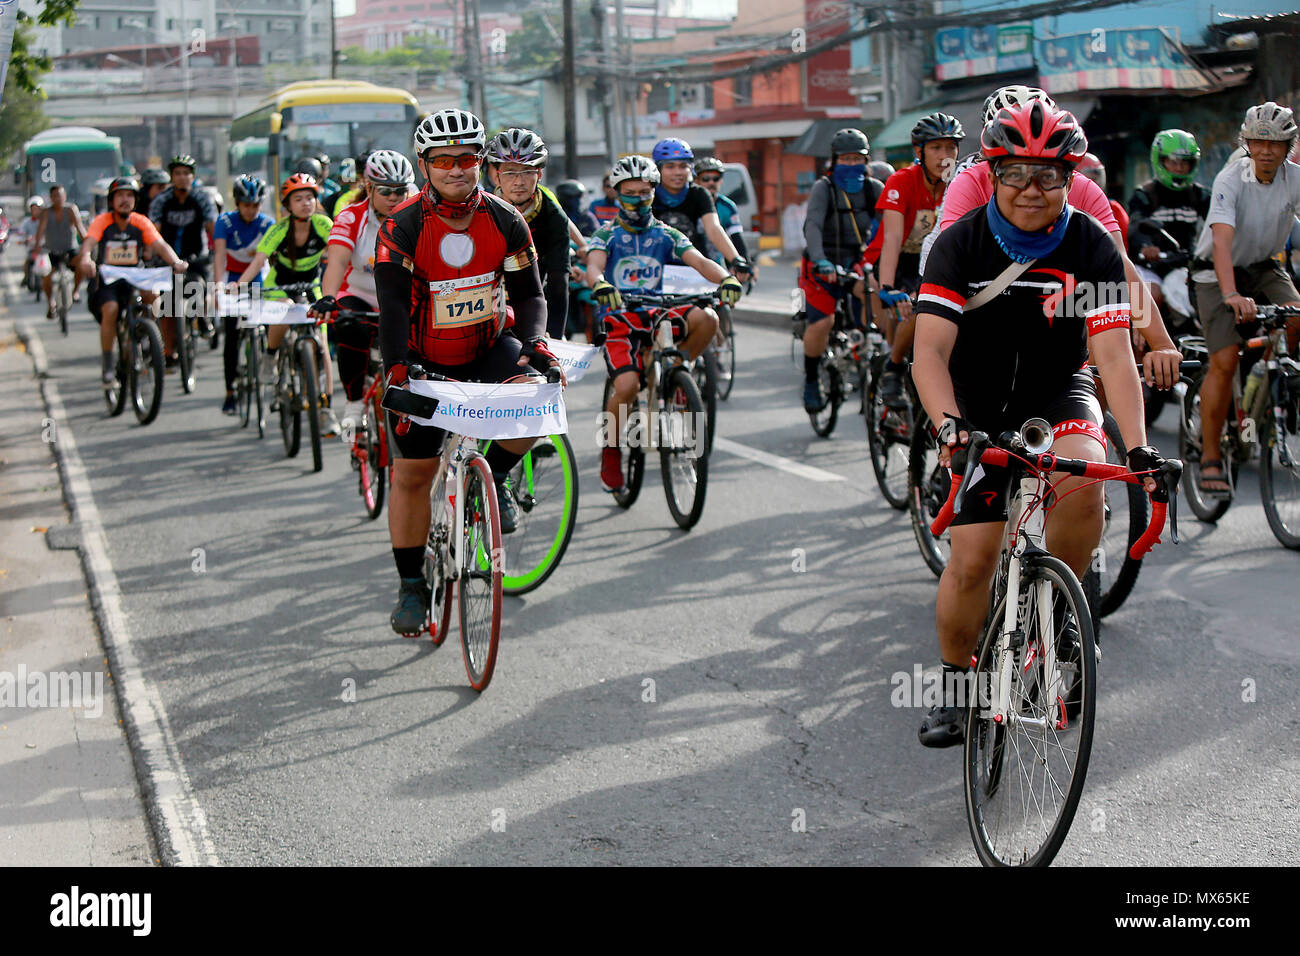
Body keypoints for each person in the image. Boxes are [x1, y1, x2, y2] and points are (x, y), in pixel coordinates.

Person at [912, 101, 1160, 746]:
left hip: (1059, 389)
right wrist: (949, 429)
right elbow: (929, 354)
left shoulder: (1092, 246)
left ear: (1069, 179)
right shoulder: (958, 244)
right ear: (991, 173)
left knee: (1084, 483)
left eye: (1048, 176)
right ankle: (955, 686)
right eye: (1017, 173)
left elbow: (1112, 355)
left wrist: (1137, 448)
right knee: (971, 561)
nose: (1031, 190)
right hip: (976, 402)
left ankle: (1062, 613)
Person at [375, 108, 561, 635]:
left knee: (535, 404)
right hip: (420, 357)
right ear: (425, 164)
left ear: (481, 161)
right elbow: (390, 305)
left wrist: (536, 344)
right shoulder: (403, 225)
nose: (457, 169)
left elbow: (529, 294)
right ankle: (412, 586)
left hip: (485, 346)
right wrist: (397, 369)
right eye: (444, 160)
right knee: (413, 473)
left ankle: (494, 475)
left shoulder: (506, 219)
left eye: (467, 159)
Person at [920, 88, 1183, 391]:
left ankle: (1090, 426)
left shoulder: (1084, 188)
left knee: (1102, 353)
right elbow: (955, 264)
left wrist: (1161, 342)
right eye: (1014, 162)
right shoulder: (969, 180)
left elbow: (1120, 266)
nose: (1032, 184)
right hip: (980, 297)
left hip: (1055, 295)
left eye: (1046, 168)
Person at [587, 154, 741, 492]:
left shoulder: (667, 233)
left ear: (654, 193)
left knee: (707, 317)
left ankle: (676, 370)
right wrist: (600, 284)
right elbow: (594, 267)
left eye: (645, 192)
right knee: (626, 388)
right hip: (621, 318)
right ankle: (611, 449)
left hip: (660, 313)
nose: (638, 200)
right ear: (616, 192)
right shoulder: (606, 235)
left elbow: (699, 261)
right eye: (630, 192)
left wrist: (726, 278)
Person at [1191, 102, 1300, 498]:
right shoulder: (1230, 178)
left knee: (1296, 317)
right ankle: (1210, 456)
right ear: (1247, 143)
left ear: (1289, 146)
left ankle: (1274, 383)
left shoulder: (1295, 178)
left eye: (1276, 144)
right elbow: (1221, 242)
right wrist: (1231, 294)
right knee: (1223, 360)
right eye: (1258, 142)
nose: (1267, 151)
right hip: (1215, 271)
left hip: (1264, 268)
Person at [862, 112, 964, 407]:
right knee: (917, 309)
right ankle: (893, 368)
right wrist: (888, 285)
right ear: (919, 152)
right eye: (936, 148)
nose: (945, 156)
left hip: (937, 260)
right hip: (900, 260)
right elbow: (892, 239)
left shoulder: (960, 183)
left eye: (951, 148)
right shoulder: (902, 181)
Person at [309, 149, 416, 432]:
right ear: (368, 188)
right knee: (348, 327)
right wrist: (329, 297)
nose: (394, 198)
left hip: (405, 299)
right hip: (361, 295)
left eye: (400, 191)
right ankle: (354, 402)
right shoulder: (351, 217)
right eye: (385, 191)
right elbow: (337, 262)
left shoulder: (418, 216)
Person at [235, 173, 339, 436]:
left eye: (310, 198)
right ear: (287, 205)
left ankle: (326, 407)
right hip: (278, 285)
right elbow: (258, 262)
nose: (305, 203)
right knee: (283, 311)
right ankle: (270, 357)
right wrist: (238, 284)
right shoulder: (279, 229)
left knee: (323, 346)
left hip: (311, 286)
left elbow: (341, 254)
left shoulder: (324, 223)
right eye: (298, 199)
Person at [797, 127, 884, 411]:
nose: (851, 165)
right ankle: (811, 379)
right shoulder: (825, 187)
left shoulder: (874, 189)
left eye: (856, 159)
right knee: (822, 322)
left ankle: (876, 363)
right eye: (845, 159)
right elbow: (813, 225)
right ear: (834, 161)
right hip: (822, 262)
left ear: (866, 160)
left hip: (857, 261)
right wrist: (821, 261)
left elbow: (888, 229)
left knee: (875, 299)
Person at [75, 177, 188, 385]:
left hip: (136, 276)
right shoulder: (102, 221)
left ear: (135, 200)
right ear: (112, 201)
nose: (125, 200)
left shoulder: (141, 221)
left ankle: (149, 336)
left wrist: (176, 262)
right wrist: (85, 259)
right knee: (110, 310)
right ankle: (108, 365)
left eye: (129, 196)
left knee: (154, 296)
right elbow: (89, 244)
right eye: (120, 196)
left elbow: (160, 245)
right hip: (108, 279)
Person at [483, 128, 573, 340]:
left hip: (530, 304)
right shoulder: (481, 209)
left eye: (527, 171)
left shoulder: (554, 217)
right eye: (510, 172)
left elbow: (559, 284)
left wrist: (554, 338)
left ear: (539, 174)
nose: (519, 181)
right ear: (496, 175)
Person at [212, 175, 274, 415]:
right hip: (231, 279)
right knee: (231, 335)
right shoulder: (224, 222)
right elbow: (219, 255)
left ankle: (270, 362)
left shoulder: (267, 223)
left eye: (256, 205)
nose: (251, 210)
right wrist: (218, 285)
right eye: (246, 205)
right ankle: (230, 392)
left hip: (258, 278)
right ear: (237, 203)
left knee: (272, 321)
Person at [1127, 131, 1210, 307]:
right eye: (1173, 162)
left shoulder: (1201, 196)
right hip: (1152, 265)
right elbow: (1136, 226)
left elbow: (1216, 225)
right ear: (1161, 161)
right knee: (1150, 297)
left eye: (1184, 163)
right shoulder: (1144, 195)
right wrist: (1146, 247)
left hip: (1187, 265)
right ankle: (1145, 335)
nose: (1179, 168)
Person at [650, 138, 750, 282]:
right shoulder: (649, 194)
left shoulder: (699, 194)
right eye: (670, 166)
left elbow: (714, 229)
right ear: (658, 169)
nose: (678, 172)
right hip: (655, 269)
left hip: (696, 267)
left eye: (683, 166)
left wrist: (736, 259)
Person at [149, 155, 218, 361]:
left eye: (186, 173)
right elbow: (154, 232)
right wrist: (151, 255)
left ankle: (203, 319)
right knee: (166, 305)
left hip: (196, 257)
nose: (182, 177)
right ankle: (169, 350)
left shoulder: (202, 199)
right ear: (172, 177)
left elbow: (212, 228)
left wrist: (216, 252)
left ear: (192, 176)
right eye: (177, 173)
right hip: (167, 259)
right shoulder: (161, 201)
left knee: (199, 287)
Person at [33, 184, 88, 315]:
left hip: (70, 249)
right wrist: (37, 246)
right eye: (55, 196)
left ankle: (75, 292)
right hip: (51, 251)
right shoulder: (46, 212)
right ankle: (51, 302)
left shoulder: (70, 210)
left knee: (82, 264)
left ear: (65, 196)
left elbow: (80, 228)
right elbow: (40, 231)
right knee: (46, 276)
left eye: (60, 195)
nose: (58, 198)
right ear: (51, 198)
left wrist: (87, 243)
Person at [692, 156, 750, 268]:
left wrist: (745, 263)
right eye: (706, 179)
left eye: (716, 178)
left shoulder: (728, 206)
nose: (711, 182)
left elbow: (737, 237)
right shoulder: (688, 203)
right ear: (696, 181)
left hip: (716, 264)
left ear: (721, 181)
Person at [1076, 153, 1129, 254]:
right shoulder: (1064, 210)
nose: (1095, 184)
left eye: (1097, 179)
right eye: (1090, 179)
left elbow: (1123, 249)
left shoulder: (1114, 208)